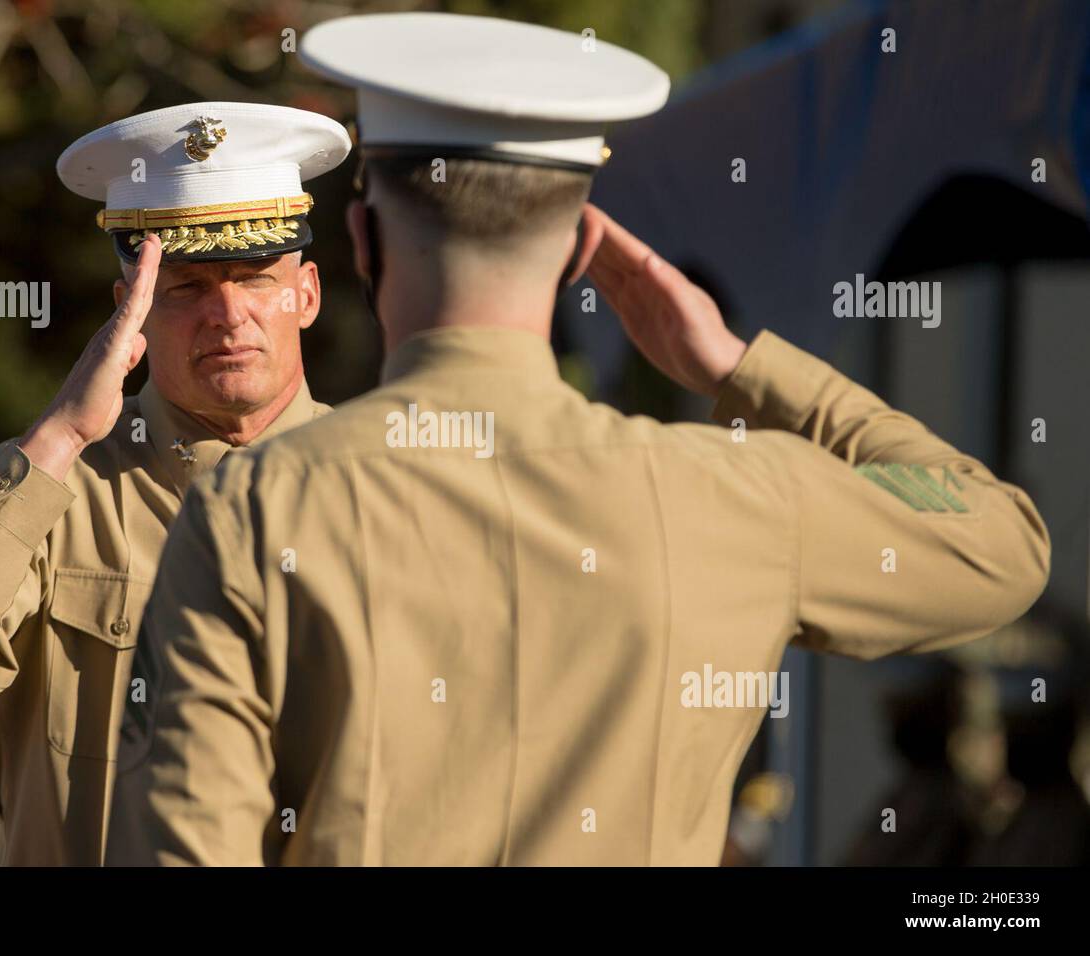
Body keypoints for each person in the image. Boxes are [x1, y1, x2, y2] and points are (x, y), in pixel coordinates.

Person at [112, 13, 1051, 866]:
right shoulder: (734, 494)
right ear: (576, 254)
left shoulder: (254, 507)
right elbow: (1001, 543)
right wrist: (740, 368)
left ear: (363, 241)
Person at [0, 102, 349, 864]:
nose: (228, 313)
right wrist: (60, 439)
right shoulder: (50, 490)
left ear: (306, 294)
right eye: (185, 287)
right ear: (128, 311)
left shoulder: (386, 488)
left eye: (254, 277)